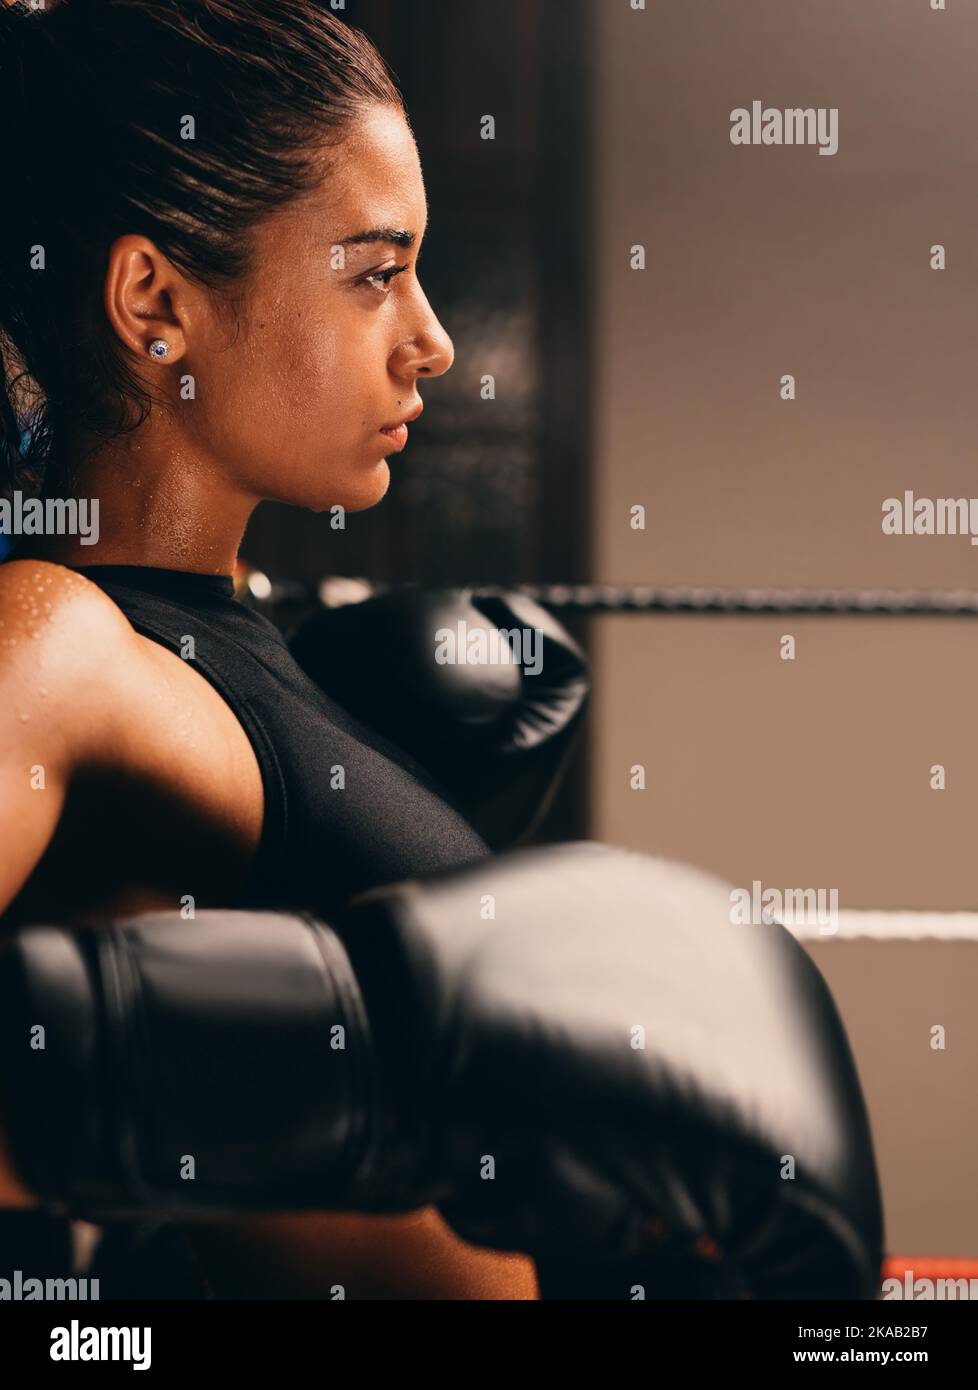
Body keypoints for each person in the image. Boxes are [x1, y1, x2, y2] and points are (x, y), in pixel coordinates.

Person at [0, 0, 540, 1298]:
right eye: (372, 270)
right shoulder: (64, 637)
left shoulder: (254, 658)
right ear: (154, 302)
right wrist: (167, 1129)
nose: (432, 338)